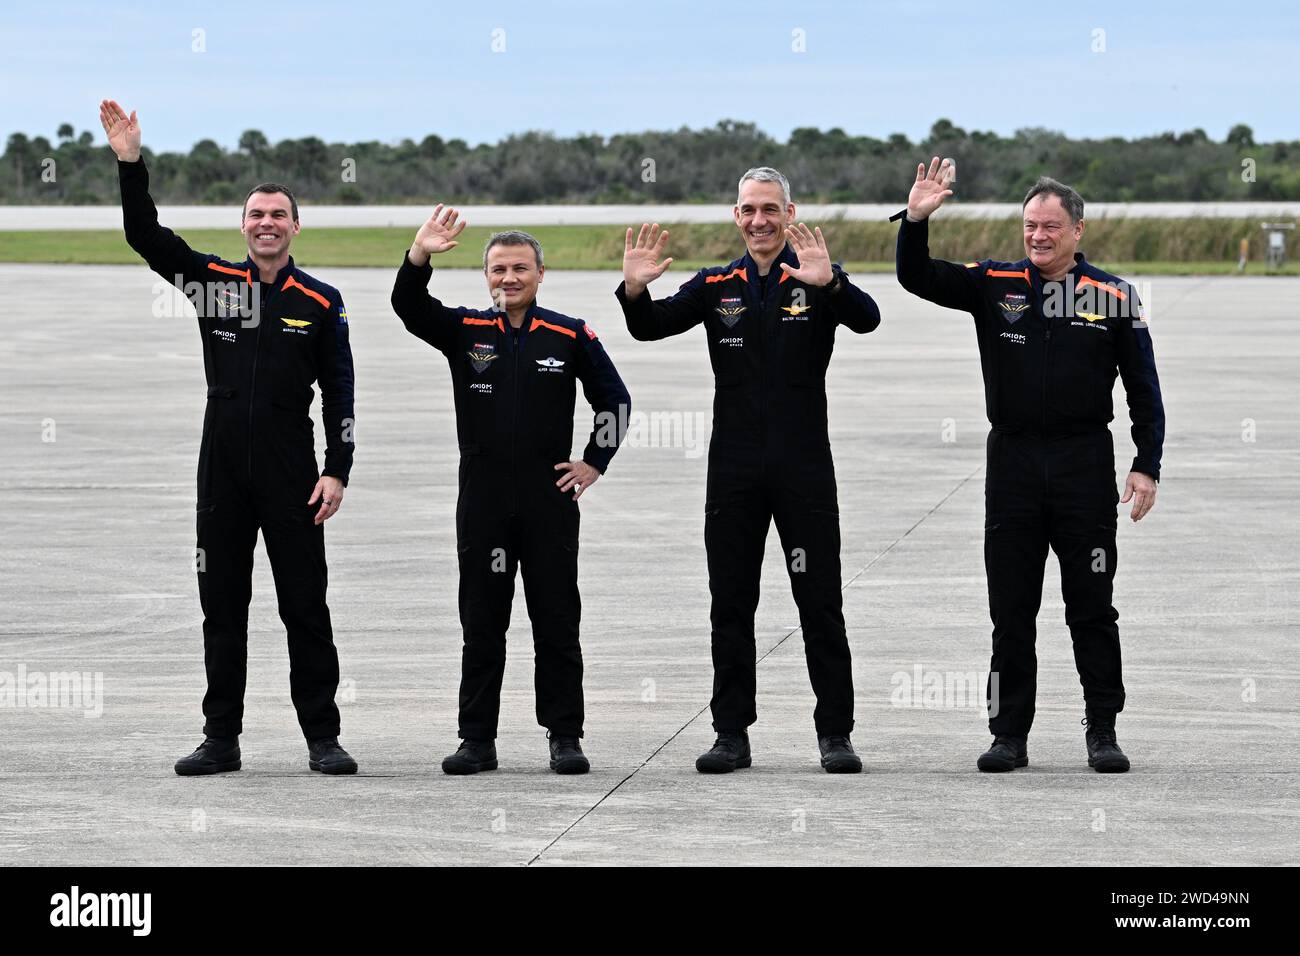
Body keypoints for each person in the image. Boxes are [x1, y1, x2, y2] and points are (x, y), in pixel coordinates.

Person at [100, 100, 357, 776]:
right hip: (221, 470)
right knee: (222, 607)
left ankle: (323, 738)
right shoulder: (214, 283)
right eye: (255, 215)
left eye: (277, 215)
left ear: (295, 226)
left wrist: (339, 469)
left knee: (305, 606)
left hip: (292, 470)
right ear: (243, 226)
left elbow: (340, 392)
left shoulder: (321, 302)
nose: (266, 224)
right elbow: (145, 236)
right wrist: (131, 164)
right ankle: (221, 738)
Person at [894, 159, 1165, 773]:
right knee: (1010, 609)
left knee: (1091, 605)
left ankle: (1102, 728)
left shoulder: (1114, 296)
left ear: (1078, 231)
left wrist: (1147, 462)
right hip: (1013, 463)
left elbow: (1143, 388)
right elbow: (915, 277)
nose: (1038, 237)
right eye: (1029, 226)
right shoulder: (995, 282)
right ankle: (1008, 733)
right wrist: (915, 220)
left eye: (1050, 226)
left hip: (1083, 465)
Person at [616, 167, 882, 774]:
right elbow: (649, 326)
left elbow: (867, 319)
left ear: (790, 213)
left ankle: (835, 734)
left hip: (804, 466)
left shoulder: (813, 276)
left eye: (769, 209)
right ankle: (731, 734)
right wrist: (634, 289)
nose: (758, 220)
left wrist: (833, 282)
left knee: (819, 603)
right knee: (731, 603)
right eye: (747, 210)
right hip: (734, 466)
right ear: (736, 217)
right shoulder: (717, 284)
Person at [391, 208, 631, 775]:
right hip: (484, 499)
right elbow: (408, 307)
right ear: (486, 278)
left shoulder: (570, 334)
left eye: (520, 268)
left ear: (541, 274)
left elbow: (615, 402)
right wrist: (419, 255)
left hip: (549, 500)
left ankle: (564, 736)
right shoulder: (465, 331)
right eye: (498, 269)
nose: (509, 279)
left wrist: (594, 462)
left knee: (556, 621)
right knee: (482, 622)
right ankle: (477, 739)